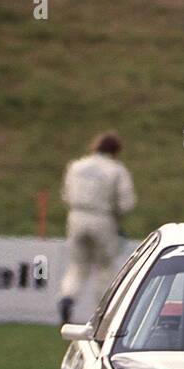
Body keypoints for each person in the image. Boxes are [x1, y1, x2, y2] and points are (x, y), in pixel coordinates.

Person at [57, 131, 136, 324]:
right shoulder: (116, 170)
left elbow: (65, 195)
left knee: (77, 266)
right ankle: (102, 315)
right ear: (116, 151)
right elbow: (126, 204)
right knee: (105, 267)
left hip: (76, 217)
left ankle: (67, 297)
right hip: (102, 218)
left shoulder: (76, 166)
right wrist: (117, 218)